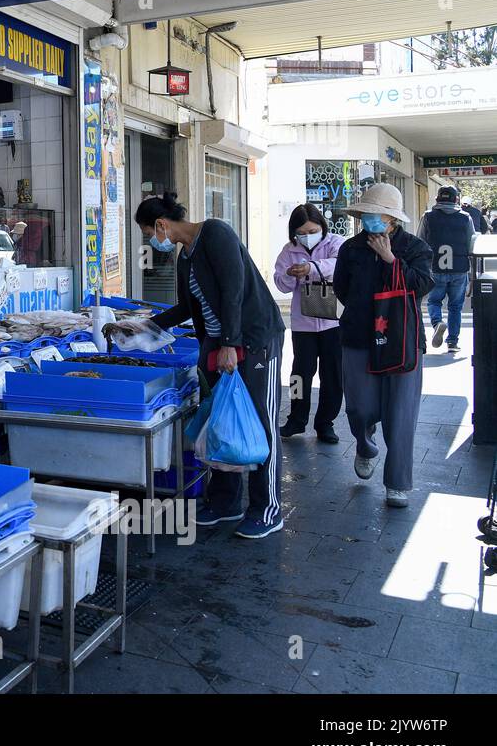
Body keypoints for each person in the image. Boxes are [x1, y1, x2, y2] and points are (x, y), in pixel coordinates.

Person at [129, 193, 287, 538]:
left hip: (255, 339)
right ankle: (225, 501)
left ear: (161, 224)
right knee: (221, 419)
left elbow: (234, 288)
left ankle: (267, 508)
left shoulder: (216, 233)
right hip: (219, 345)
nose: (154, 242)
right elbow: (187, 307)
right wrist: (148, 326)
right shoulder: (185, 256)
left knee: (259, 420)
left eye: (150, 234)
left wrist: (232, 342)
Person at [332, 183, 434, 509]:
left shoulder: (415, 248)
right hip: (359, 337)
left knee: (401, 415)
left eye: (374, 214)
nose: (368, 220)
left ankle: (398, 483)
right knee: (359, 407)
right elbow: (342, 289)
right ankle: (364, 443)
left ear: (391, 219)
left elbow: (421, 285)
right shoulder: (351, 249)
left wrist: (390, 259)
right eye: (365, 214)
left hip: (403, 341)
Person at [273, 203, 344, 443]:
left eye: (312, 230)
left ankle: (325, 423)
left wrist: (311, 268)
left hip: (333, 322)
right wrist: (289, 275)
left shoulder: (336, 242)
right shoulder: (288, 250)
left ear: (322, 227)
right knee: (299, 374)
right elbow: (280, 282)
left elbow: (339, 265)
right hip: (303, 323)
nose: (307, 236)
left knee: (332, 374)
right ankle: (296, 419)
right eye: (301, 233)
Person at [417, 185, 474, 355]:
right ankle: (452, 342)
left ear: (437, 199)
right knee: (455, 306)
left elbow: (420, 241)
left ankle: (437, 323)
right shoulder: (466, 217)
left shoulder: (428, 216)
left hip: (435, 268)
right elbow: (471, 244)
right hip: (459, 268)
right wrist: (471, 274)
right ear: (456, 199)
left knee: (434, 301)